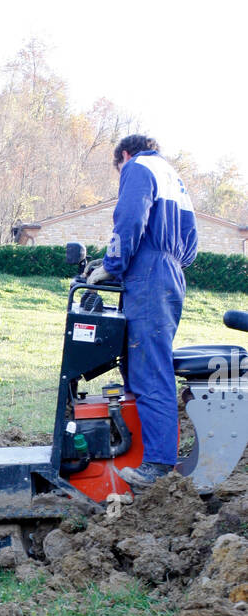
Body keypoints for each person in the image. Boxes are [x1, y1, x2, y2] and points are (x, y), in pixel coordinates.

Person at [85, 134, 198, 488]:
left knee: (150, 368)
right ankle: (139, 453)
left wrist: (112, 264)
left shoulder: (138, 166)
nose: (121, 172)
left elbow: (130, 218)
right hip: (171, 273)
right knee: (139, 365)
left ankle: (159, 465)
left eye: (118, 167)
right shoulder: (173, 178)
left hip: (147, 273)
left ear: (124, 154)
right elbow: (192, 246)